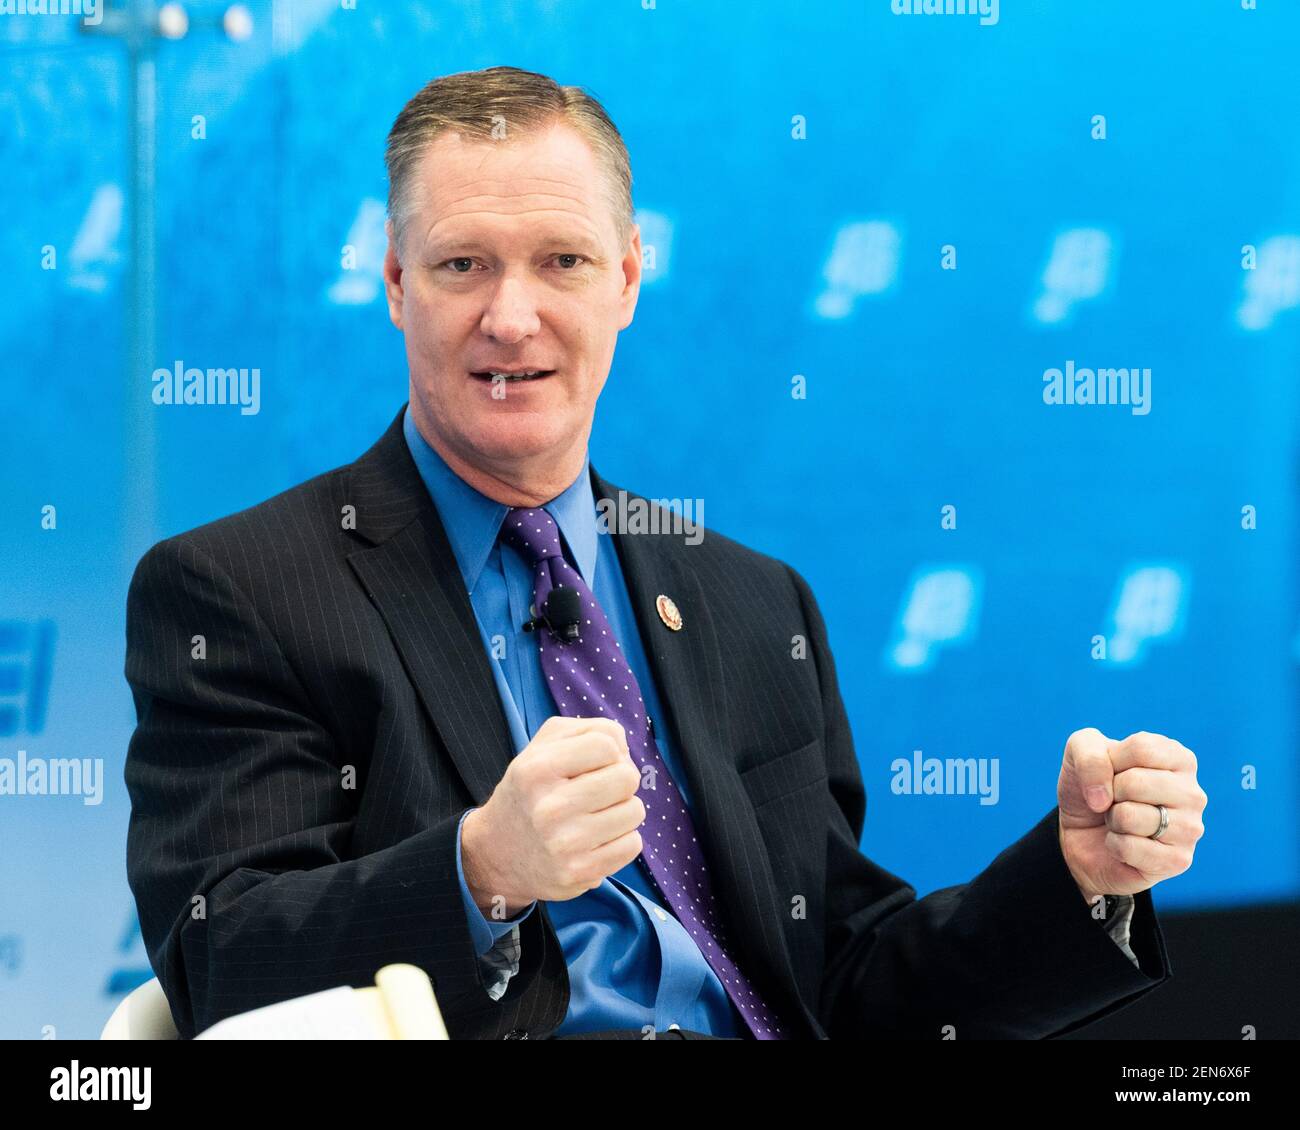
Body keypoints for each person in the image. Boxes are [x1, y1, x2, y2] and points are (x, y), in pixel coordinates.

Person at [124, 66, 1206, 1040]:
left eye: (563, 260)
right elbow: (224, 963)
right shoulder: (243, 590)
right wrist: (482, 868)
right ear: (397, 284)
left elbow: (850, 980)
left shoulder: (750, 601)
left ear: (628, 279)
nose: (512, 317)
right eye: (463, 264)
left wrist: (1078, 880)